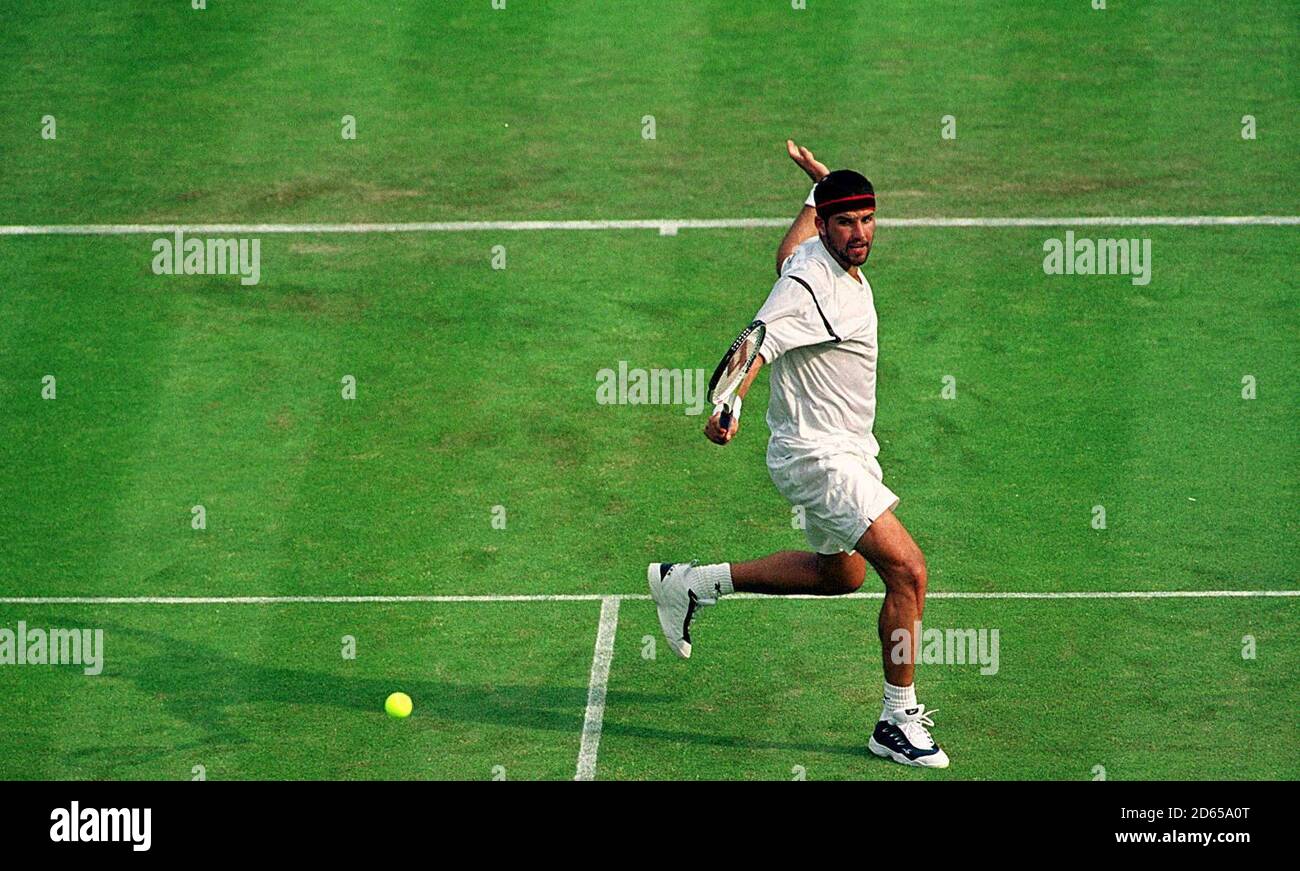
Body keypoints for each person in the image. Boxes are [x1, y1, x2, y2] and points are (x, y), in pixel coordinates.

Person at [648, 140, 948, 768]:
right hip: (818, 457)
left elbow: (786, 255)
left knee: (842, 574)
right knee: (908, 572)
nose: (860, 233)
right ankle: (897, 719)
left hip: (846, 448)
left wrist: (818, 190)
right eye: (846, 222)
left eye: (867, 219)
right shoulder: (814, 286)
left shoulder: (812, 257)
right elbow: (760, 337)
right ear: (831, 227)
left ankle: (693, 584)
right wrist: (728, 403)